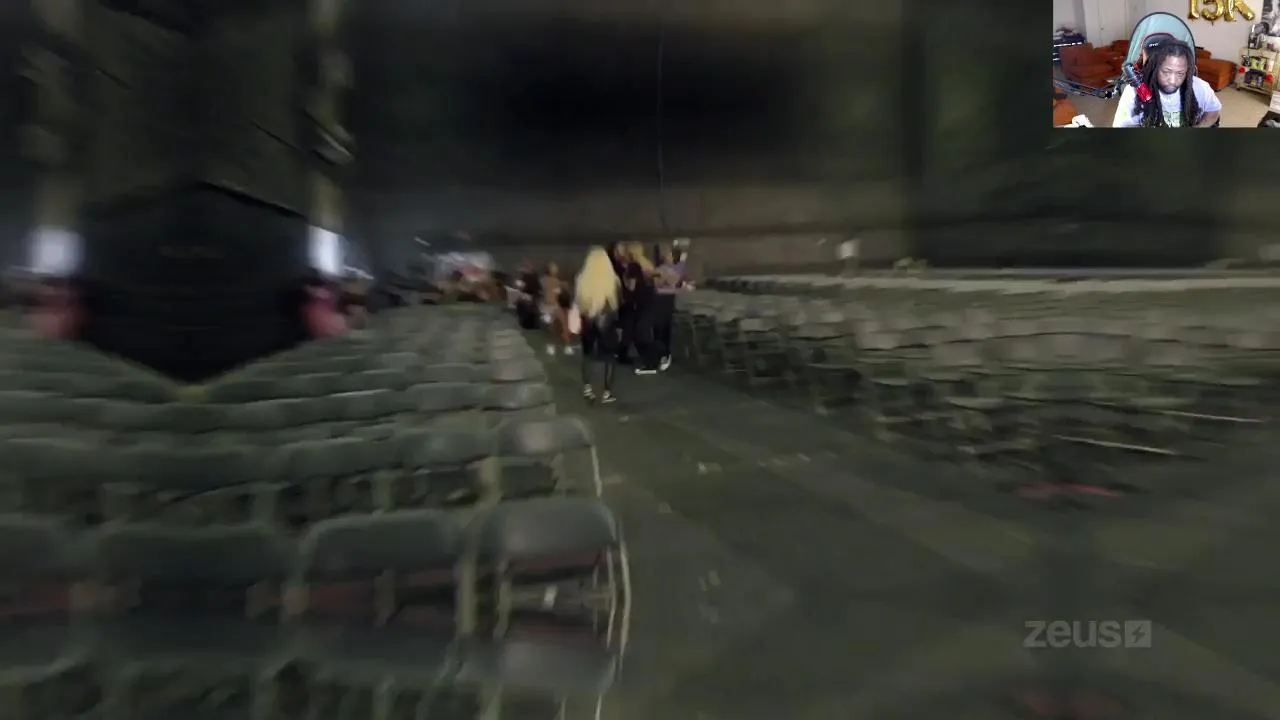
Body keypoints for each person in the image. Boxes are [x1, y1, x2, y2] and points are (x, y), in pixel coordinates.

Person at [1112, 40, 1221, 128]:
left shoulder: (1201, 87)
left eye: (1180, 73)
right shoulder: (1133, 91)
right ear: (1155, 68)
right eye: (1166, 71)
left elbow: (1213, 111)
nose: (1173, 80)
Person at [575, 247, 621, 403]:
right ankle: (607, 392)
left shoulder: (581, 279)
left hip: (588, 321)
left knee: (587, 356)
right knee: (610, 357)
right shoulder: (613, 279)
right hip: (607, 321)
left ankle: (588, 389)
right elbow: (618, 303)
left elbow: (579, 302)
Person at [623, 242, 661, 374]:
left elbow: (631, 287)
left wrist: (623, 280)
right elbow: (657, 283)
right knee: (643, 331)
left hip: (640, 302)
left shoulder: (633, 266)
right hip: (650, 300)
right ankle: (653, 360)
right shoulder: (648, 265)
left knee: (640, 332)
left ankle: (651, 362)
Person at [653, 245, 686, 371]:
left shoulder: (678, 269)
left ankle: (665, 354)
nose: (665, 256)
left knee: (665, 328)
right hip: (658, 299)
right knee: (658, 328)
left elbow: (677, 282)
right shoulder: (660, 268)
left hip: (668, 299)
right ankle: (658, 353)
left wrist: (668, 279)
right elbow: (656, 282)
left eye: (668, 254)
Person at [541, 262, 574, 355]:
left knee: (560, 327)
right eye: (554, 268)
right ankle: (559, 346)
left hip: (554, 307)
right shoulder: (549, 281)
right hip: (550, 307)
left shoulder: (554, 281)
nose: (556, 269)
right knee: (557, 327)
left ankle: (563, 346)